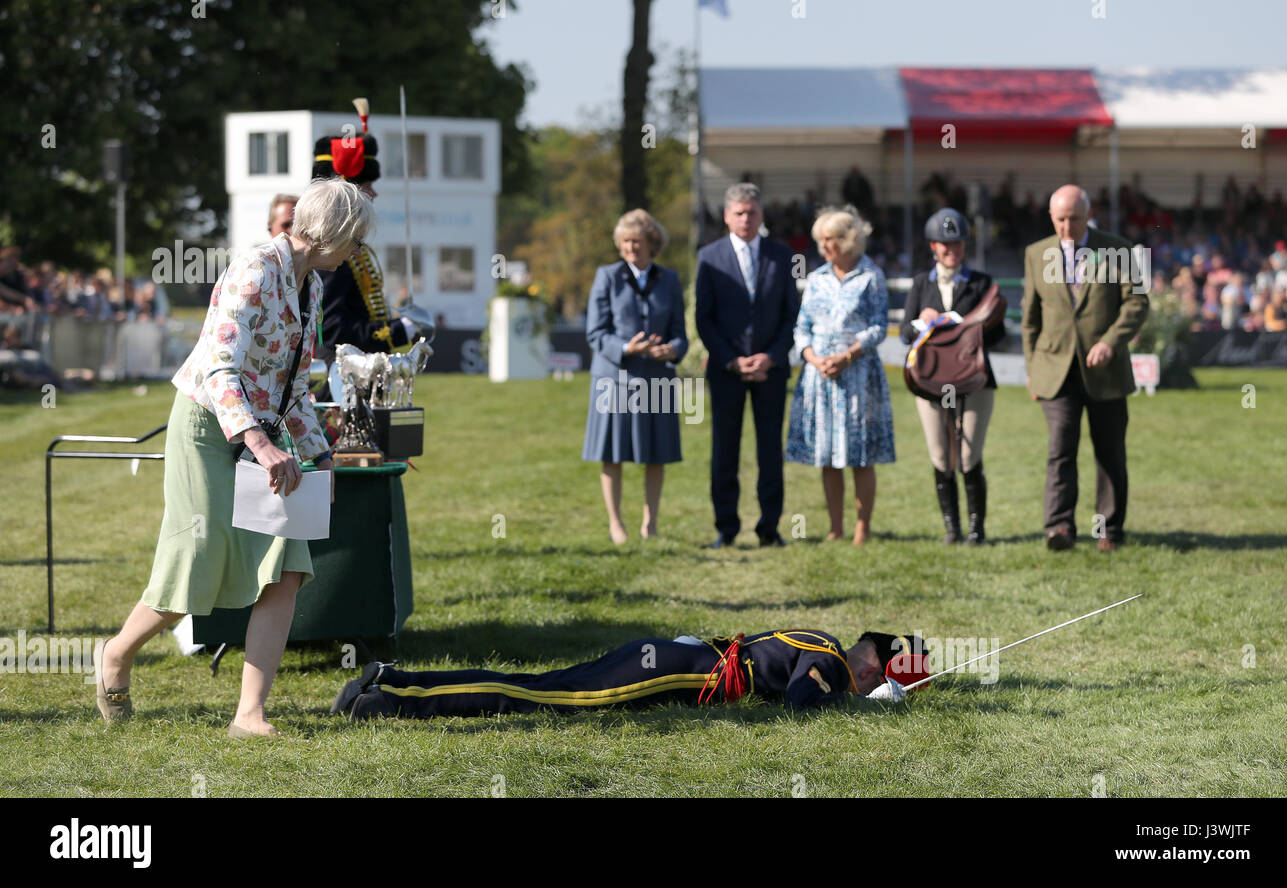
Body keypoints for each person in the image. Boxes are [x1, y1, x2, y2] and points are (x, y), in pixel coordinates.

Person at [94, 178, 375, 736]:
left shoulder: (311, 286)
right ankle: (116, 655)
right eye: (356, 239)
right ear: (334, 235)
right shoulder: (255, 269)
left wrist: (320, 458)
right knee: (198, 558)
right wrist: (261, 443)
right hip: (205, 427)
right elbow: (221, 368)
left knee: (287, 566)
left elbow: (294, 387)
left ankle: (249, 715)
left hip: (264, 435)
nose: (358, 252)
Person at [331, 628, 930, 721]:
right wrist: (869, 705)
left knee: (538, 685)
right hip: (680, 671)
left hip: (669, 654)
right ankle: (392, 699)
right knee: (536, 698)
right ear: (875, 666)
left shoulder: (823, 640)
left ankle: (392, 677)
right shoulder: (828, 661)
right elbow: (802, 702)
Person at [1022, 185, 1148, 552]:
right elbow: (1030, 319)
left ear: (1087, 214)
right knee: (1060, 449)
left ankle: (1109, 530)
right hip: (1055, 370)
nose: (1066, 227)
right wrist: (1033, 369)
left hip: (1106, 372)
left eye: (1074, 219)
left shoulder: (1121, 249)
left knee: (1110, 452)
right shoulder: (1035, 254)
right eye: (1060, 219)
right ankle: (1059, 528)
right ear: (1051, 217)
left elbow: (1138, 303)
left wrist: (1110, 341)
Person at [695, 182, 800, 548]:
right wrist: (733, 361)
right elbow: (704, 319)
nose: (745, 219)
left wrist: (770, 356)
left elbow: (792, 316)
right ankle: (726, 527)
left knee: (769, 451)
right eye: (738, 213)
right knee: (725, 451)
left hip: (770, 372)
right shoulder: (709, 257)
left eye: (752, 212)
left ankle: (769, 528)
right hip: (727, 373)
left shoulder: (782, 256)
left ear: (761, 215)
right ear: (726, 216)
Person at [786, 206, 895, 545]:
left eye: (831, 239)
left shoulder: (871, 276)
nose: (825, 245)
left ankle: (862, 527)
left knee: (859, 455)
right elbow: (801, 327)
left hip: (858, 376)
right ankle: (836, 527)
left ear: (849, 239)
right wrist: (813, 358)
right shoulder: (816, 279)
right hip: (820, 376)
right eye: (822, 239)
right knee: (827, 454)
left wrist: (848, 356)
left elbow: (879, 326)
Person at [583, 209, 688, 543]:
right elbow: (596, 333)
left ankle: (650, 523)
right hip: (613, 378)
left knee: (655, 453)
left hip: (657, 379)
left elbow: (681, 334)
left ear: (652, 244)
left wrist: (671, 350)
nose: (631, 248)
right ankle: (616, 524)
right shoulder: (607, 277)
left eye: (637, 242)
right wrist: (628, 347)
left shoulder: (669, 280)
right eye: (625, 242)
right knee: (612, 454)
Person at [901, 208, 1005, 544]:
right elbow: (904, 331)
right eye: (945, 246)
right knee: (940, 454)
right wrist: (924, 321)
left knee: (969, 453)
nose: (951, 251)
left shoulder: (981, 283)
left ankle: (977, 528)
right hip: (931, 380)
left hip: (973, 379)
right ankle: (952, 527)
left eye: (957, 245)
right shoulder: (920, 284)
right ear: (933, 247)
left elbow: (998, 333)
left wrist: (965, 327)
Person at [313, 98, 419, 356]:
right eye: (366, 186)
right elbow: (333, 329)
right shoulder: (330, 248)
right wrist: (398, 331)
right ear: (345, 192)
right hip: (338, 375)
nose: (374, 193)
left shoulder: (349, 245)